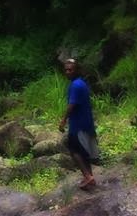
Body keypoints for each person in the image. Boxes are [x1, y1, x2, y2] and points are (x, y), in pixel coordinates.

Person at [58, 58, 97, 190]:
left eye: (70, 70)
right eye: (66, 70)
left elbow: (72, 105)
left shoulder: (75, 85)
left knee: (74, 150)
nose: (67, 72)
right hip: (87, 123)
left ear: (77, 70)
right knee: (84, 151)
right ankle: (90, 176)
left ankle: (87, 176)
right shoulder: (82, 83)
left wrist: (63, 120)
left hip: (78, 125)